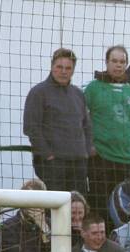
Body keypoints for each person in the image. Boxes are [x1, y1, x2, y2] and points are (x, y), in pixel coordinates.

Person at [85, 45, 130, 217]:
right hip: (101, 159)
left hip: (126, 160)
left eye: (122, 61)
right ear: (106, 62)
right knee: (100, 207)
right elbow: (83, 120)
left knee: (123, 208)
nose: (118, 65)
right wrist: (89, 145)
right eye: (114, 61)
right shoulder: (93, 88)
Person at [23, 48, 92, 195]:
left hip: (78, 164)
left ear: (73, 70)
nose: (63, 71)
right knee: (54, 210)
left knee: (77, 208)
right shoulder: (38, 92)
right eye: (59, 67)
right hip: (53, 165)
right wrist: (48, 155)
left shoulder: (78, 94)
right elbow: (31, 127)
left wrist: (85, 152)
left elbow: (87, 126)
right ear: (52, 66)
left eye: (68, 68)